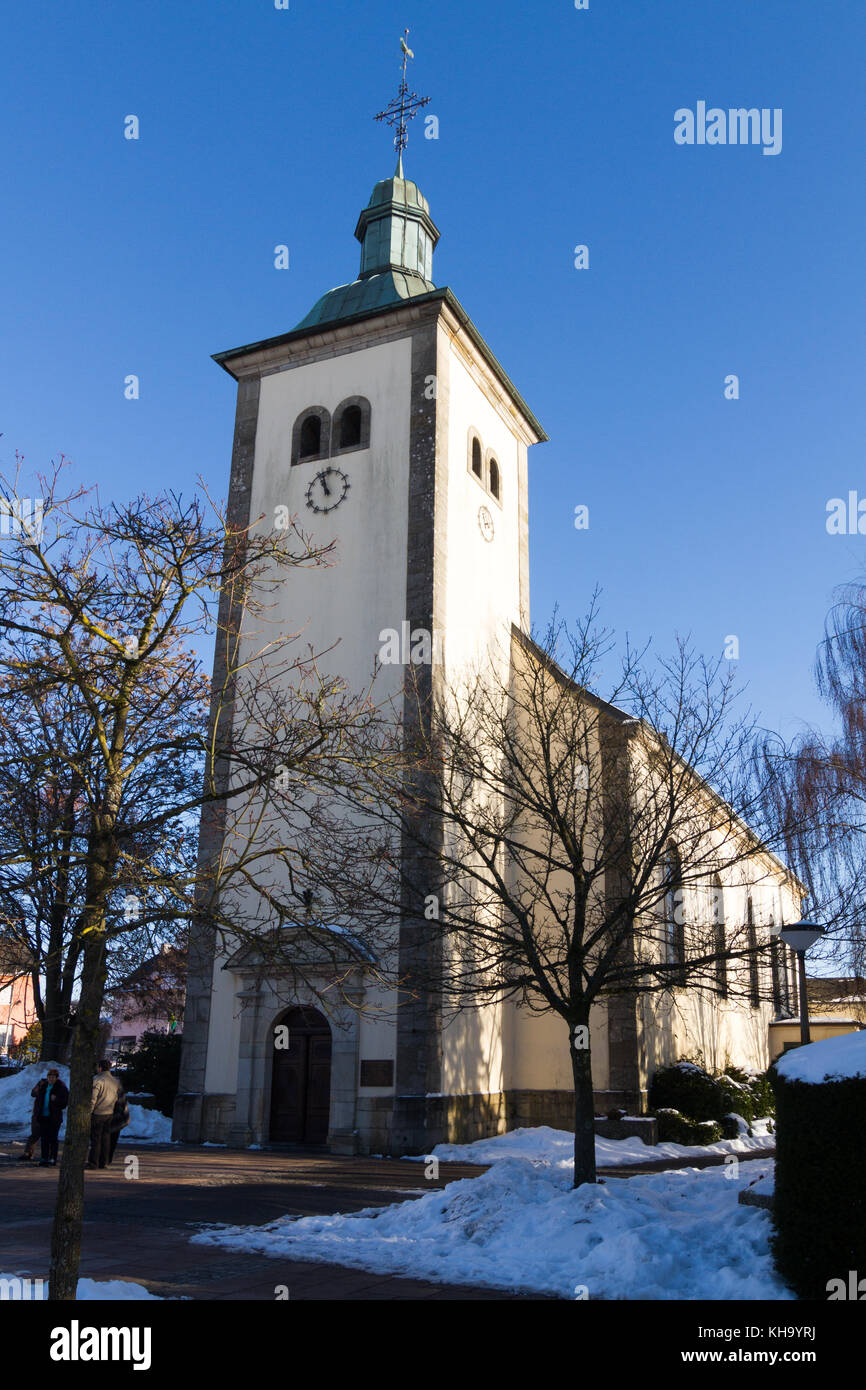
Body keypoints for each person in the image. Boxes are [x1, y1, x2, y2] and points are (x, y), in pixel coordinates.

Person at [88, 1060, 124, 1169]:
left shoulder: (97, 1080)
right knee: (106, 1138)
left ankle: (93, 1162)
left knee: (96, 1139)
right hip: (109, 1112)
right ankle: (103, 1161)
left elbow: (93, 1098)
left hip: (98, 1112)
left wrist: (89, 1111)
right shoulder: (115, 1081)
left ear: (100, 1068)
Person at [29, 1069, 69, 1166]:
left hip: (54, 1117)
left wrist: (56, 1100)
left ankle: (52, 1158)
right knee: (44, 1139)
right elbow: (35, 1095)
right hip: (43, 1116)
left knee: (53, 1138)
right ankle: (44, 1158)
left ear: (56, 1078)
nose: (50, 1079)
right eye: (49, 1077)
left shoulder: (61, 1087)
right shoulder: (44, 1086)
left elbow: (64, 1103)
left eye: (53, 1077)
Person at [107, 1089, 130, 1164]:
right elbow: (124, 1106)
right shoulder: (119, 1090)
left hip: (107, 1116)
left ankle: (103, 1159)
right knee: (113, 1141)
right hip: (117, 1119)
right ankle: (108, 1158)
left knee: (102, 1140)